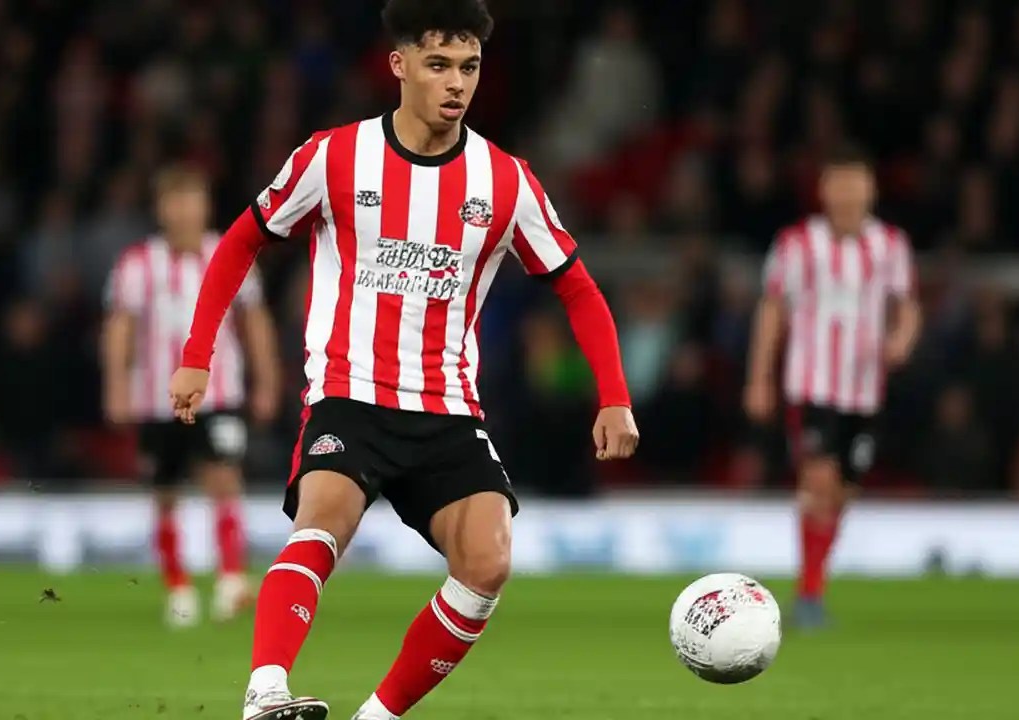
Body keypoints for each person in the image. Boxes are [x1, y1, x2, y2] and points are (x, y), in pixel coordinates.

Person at [169, 1, 639, 717]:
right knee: (323, 521)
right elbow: (240, 241)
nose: (456, 83)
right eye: (439, 64)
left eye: (470, 68)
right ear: (399, 66)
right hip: (349, 393)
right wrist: (198, 355)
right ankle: (265, 696)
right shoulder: (334, 156)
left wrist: (613, 395)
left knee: (488, 563)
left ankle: (376, 716)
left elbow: (576, 285)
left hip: (446, 408)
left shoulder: (504, 181)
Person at [744, 144, 921, 628]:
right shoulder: (797, 243)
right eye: (838, 184)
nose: (847, 194)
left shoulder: (890, 245)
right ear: (824, 190)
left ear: (871, 189)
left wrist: (902, 339)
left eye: (856, 184)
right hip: (812, 383)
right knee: (817, 480)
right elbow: (773, 308)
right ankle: (809, 595)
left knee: (843, 489)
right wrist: (759, 377)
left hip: (864, 388)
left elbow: (906, 305)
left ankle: (814, 584)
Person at [102, 165, 281, 627]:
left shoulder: (230, 253)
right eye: (175, 201)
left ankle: (229, 578)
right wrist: (117, 385)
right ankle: (177, 586)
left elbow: (255, 321)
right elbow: (120, 327)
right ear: (161, 208)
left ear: (206, 205)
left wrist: (267, 380)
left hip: (218, 393)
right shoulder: (138, 263)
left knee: (223, 475)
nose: (184, 211)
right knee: (164, 489)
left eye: (192, 200)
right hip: (155, 396)